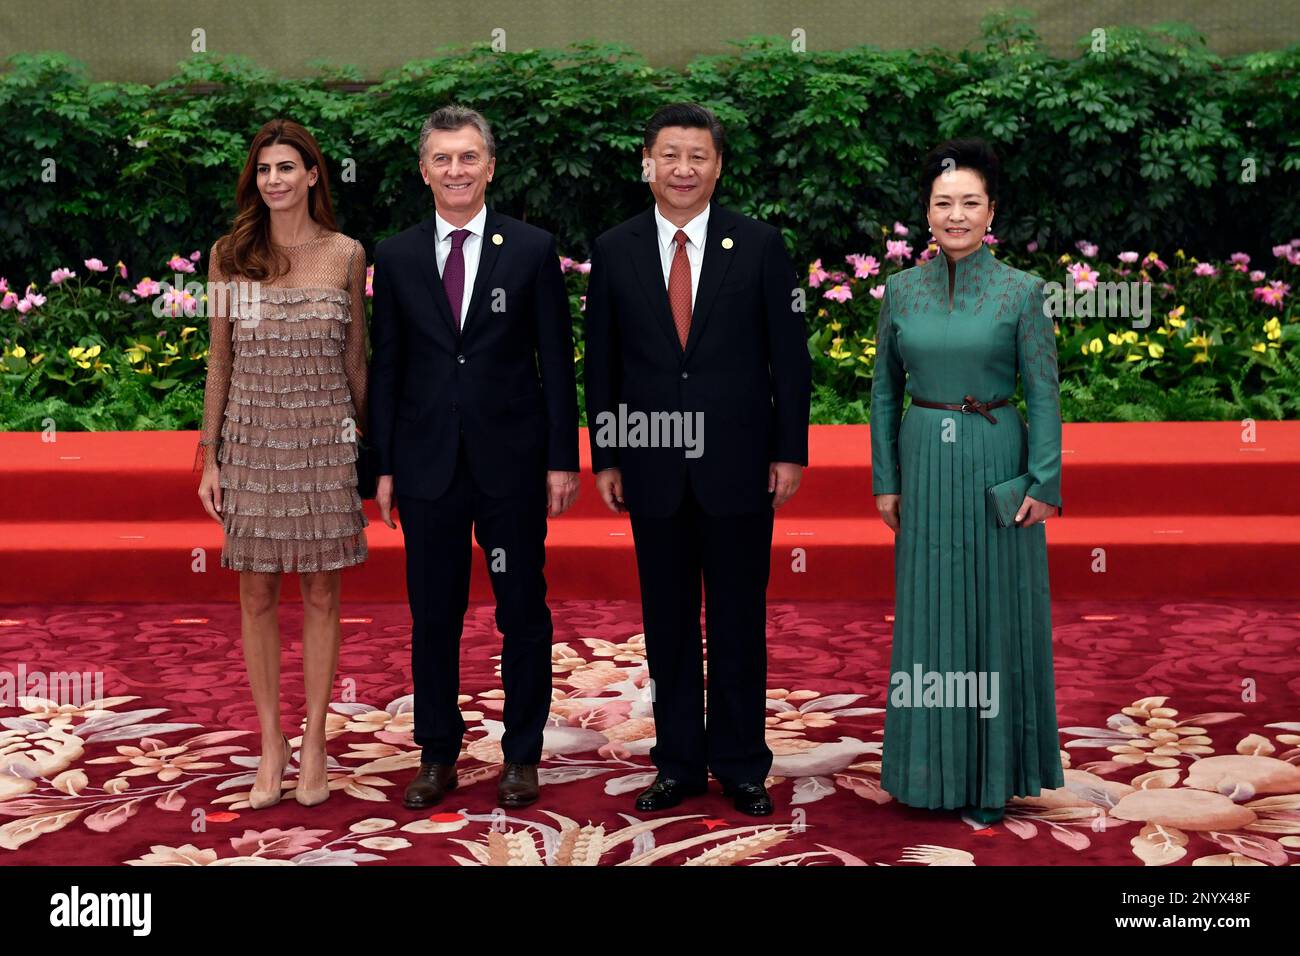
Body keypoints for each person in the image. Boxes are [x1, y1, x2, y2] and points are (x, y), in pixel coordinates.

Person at [584, 103, 811, 817]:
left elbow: (790, 358)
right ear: (647, 161)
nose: (684, 169)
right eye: (670, 155)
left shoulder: (761, 245)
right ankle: (679, 762)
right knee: (669, 621)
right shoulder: (615, 248)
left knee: (740, 618)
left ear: (718, 165)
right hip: (651, 463)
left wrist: (789, 449)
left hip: (739, 463)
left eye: (698, 157)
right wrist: (608, 453)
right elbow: (604, 361)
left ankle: (742, 763)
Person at [368, 105, 580, 811]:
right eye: (442, 159)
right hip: (428, 467)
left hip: (512, 465)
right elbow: (388, 366)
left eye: (468, 158)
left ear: (489, 167)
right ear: (423, 170)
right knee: (434, 614)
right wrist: (385, 466)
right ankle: (437, 752)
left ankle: (522, 754)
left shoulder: (529, 248)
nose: (455, 171)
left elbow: (555, 359)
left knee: (520, 608)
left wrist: (561, 459)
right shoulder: (395, 257)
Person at [870, 138, 1065, 824]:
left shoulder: (1022, 291)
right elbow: (884, 395)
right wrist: (885, 479)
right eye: (943, 202)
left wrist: (1043, 480)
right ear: (925, 213)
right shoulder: (900, 290)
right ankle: (927, 774)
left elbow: (1043, 392)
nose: (956, 215)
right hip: (923, 459)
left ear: (992, 212)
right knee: (928, 614)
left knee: (996, 612)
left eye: (970, 203)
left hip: (997, 461)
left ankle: (995, 773)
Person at [196, 118, 370, 810]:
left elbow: (357, 359)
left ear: (312, 175)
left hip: (327, 446)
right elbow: (220, 357)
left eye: (286, 168)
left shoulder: (346, 254)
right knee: (257, 593)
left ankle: (317, 742)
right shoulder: (231, 254)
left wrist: (373, 452)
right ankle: (273, 744)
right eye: (264, 169)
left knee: (324, 594)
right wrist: (209, 456)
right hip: (253, 441)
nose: (274, 180)